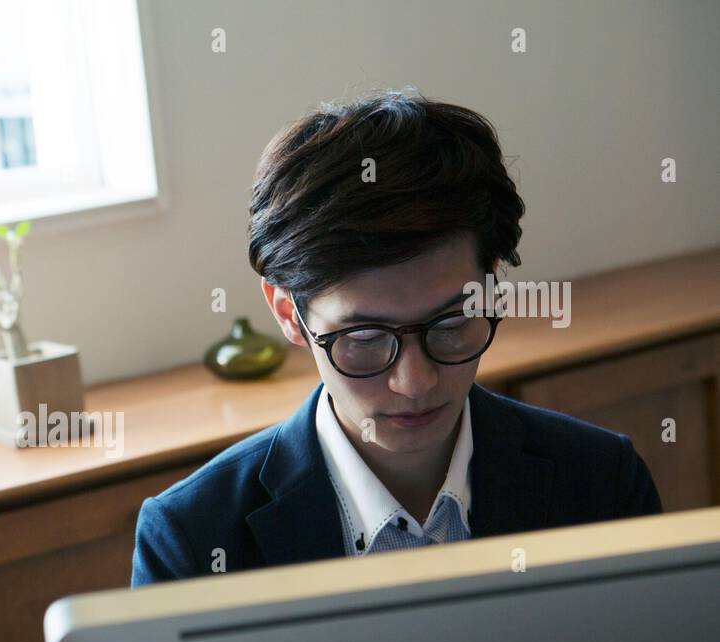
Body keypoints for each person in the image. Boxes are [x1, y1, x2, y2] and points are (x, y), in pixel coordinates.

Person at [131, 89, 661, 587]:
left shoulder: (601, 484)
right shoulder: (192, 541)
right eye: (364, 338)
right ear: (288, 312)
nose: (415, 382)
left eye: (451, 325)